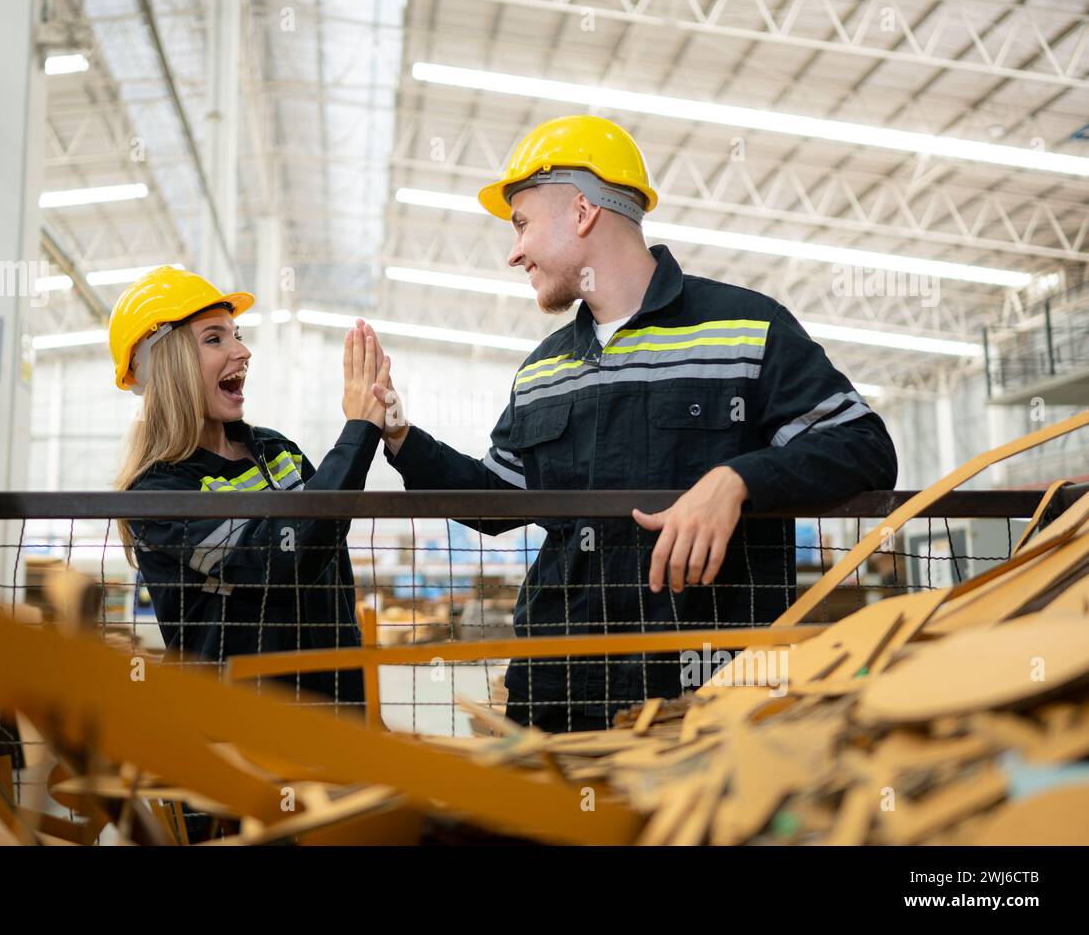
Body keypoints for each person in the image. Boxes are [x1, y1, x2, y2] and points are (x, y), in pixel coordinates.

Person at [367, 114, 898, 732]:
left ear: (584, 212)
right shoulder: (544, 369)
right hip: (559, 685)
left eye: (522, 224)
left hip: (705, 697)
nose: (513, 252)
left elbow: (863, 446)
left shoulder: (745, 328)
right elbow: (497, 500)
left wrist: (738, 480)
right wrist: (398, 433)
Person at [110, 265, 390, 711]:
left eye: (236, 334)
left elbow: (328, 557)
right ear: (169, 365)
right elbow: (283, 561)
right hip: (241, 733)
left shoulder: (278, 451)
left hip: (337, 711)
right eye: (215, 338)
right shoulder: (159, 494)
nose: (243, 351)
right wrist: (358, 432)